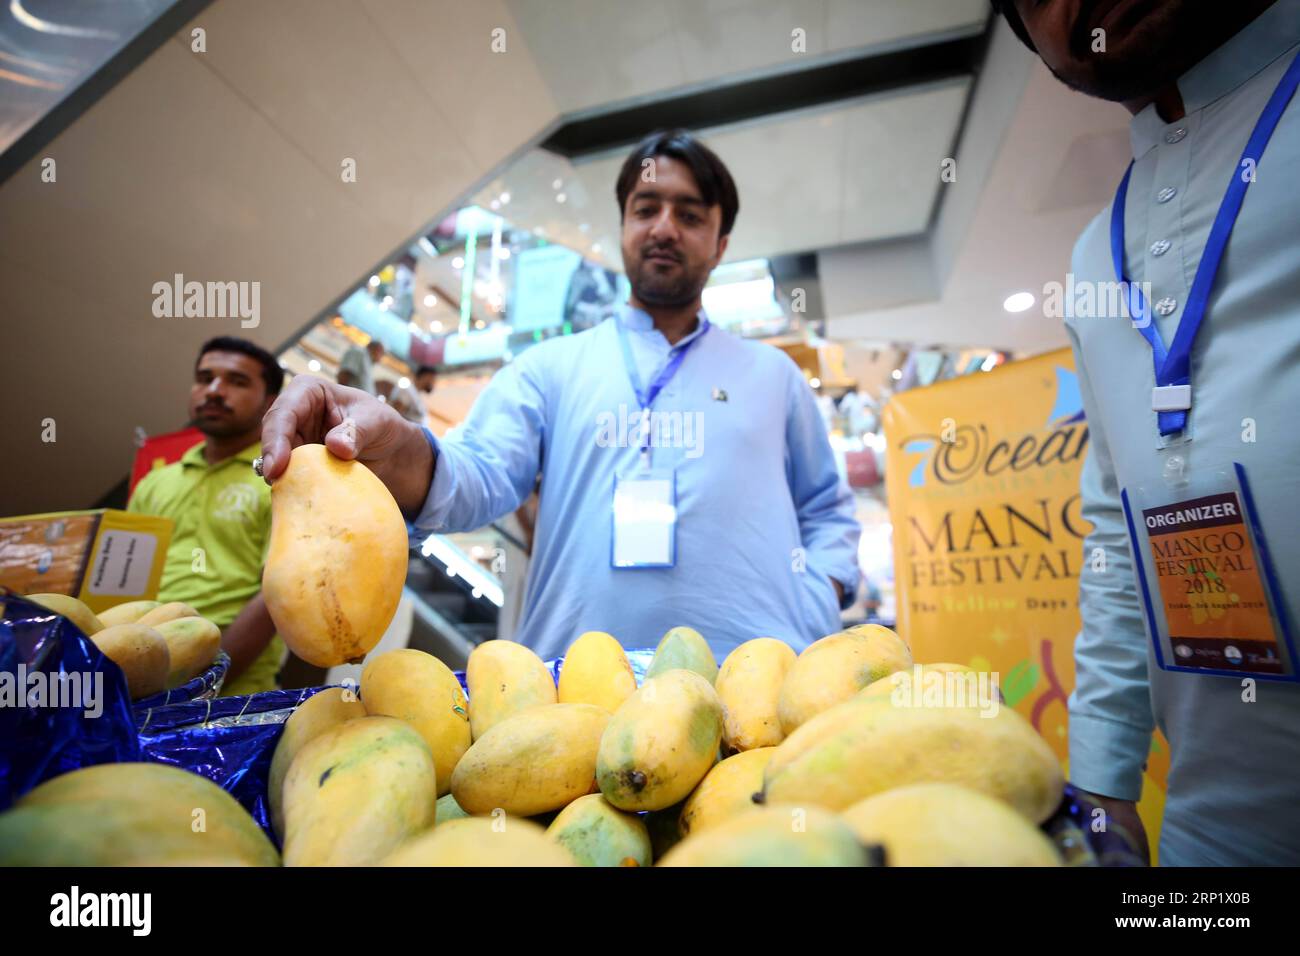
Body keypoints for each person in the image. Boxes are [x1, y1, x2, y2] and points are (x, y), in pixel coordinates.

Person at [259, 129, 860, 661]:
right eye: (645, 208)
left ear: (721, 243)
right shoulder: (549, 368)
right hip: (573, 691)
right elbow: (477, 476)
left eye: (690, 215)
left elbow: (827, 510)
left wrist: (816, 600)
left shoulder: (772, 374)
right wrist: (393, 447)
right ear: (623, 225)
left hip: (759, 678)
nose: (664, 228)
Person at [994, 0, 1300, 865]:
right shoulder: (1098, 255)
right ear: (1039, 48)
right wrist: (1102, 780)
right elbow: (1118, 536)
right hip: (1212, 828)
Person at [128, 337, 286, 695]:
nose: (214, 391)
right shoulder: (156, 482)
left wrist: (198, 685)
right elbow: (123, 583)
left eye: (237, 381)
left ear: (271, 402)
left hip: (226, 699)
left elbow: (278, 594)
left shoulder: (280, 480)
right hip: (132, 680)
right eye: (205, 378)